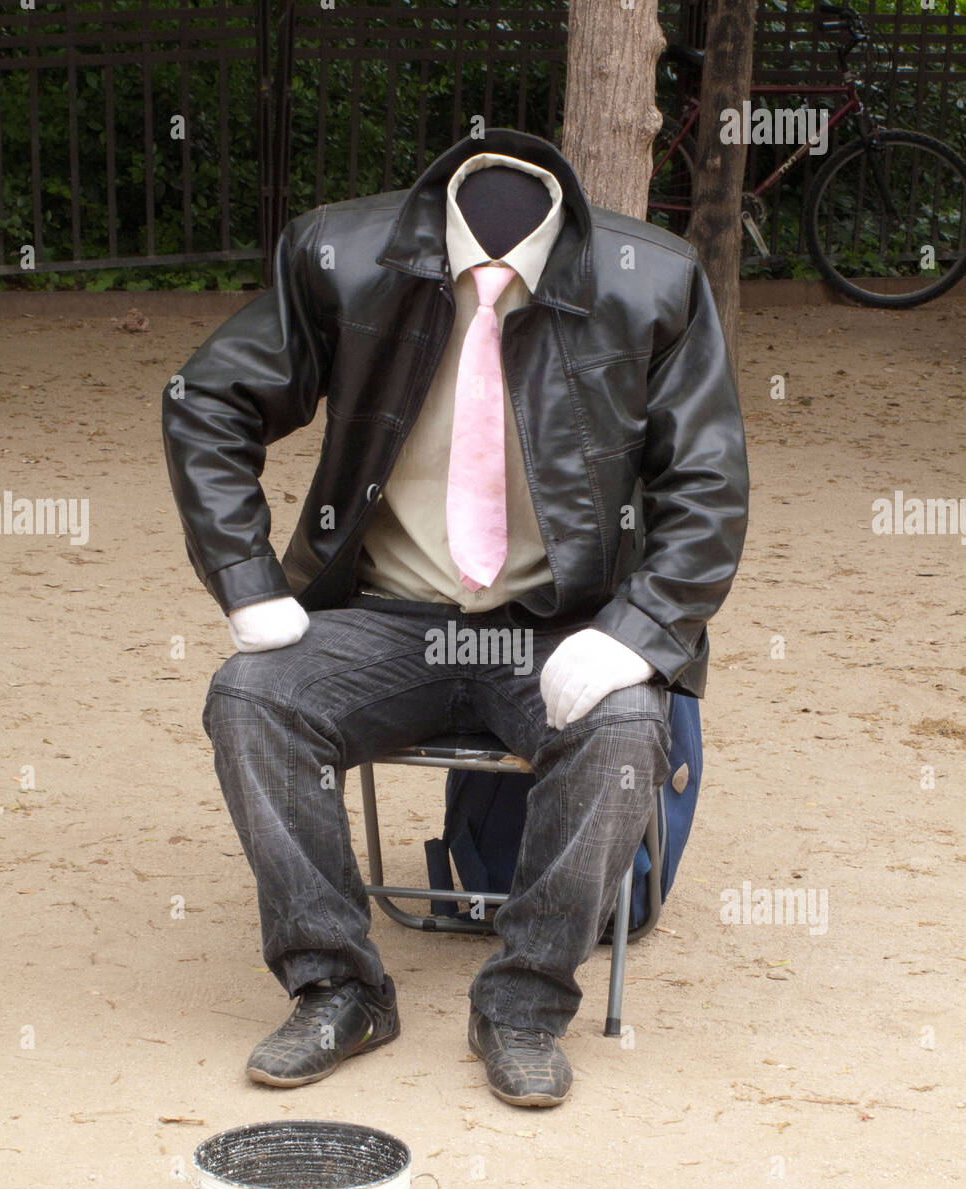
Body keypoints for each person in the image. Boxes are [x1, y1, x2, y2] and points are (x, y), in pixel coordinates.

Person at [162, 127, 749, 1108]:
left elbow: (709, 482)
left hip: (560, 624)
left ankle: (521, 1006)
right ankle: (337, 986)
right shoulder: (340, 257)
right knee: (250, 698)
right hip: (389, 616)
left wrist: (634, 631)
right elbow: (207, 400)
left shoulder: (653, 278)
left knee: (624, 729)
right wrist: (247, 579)